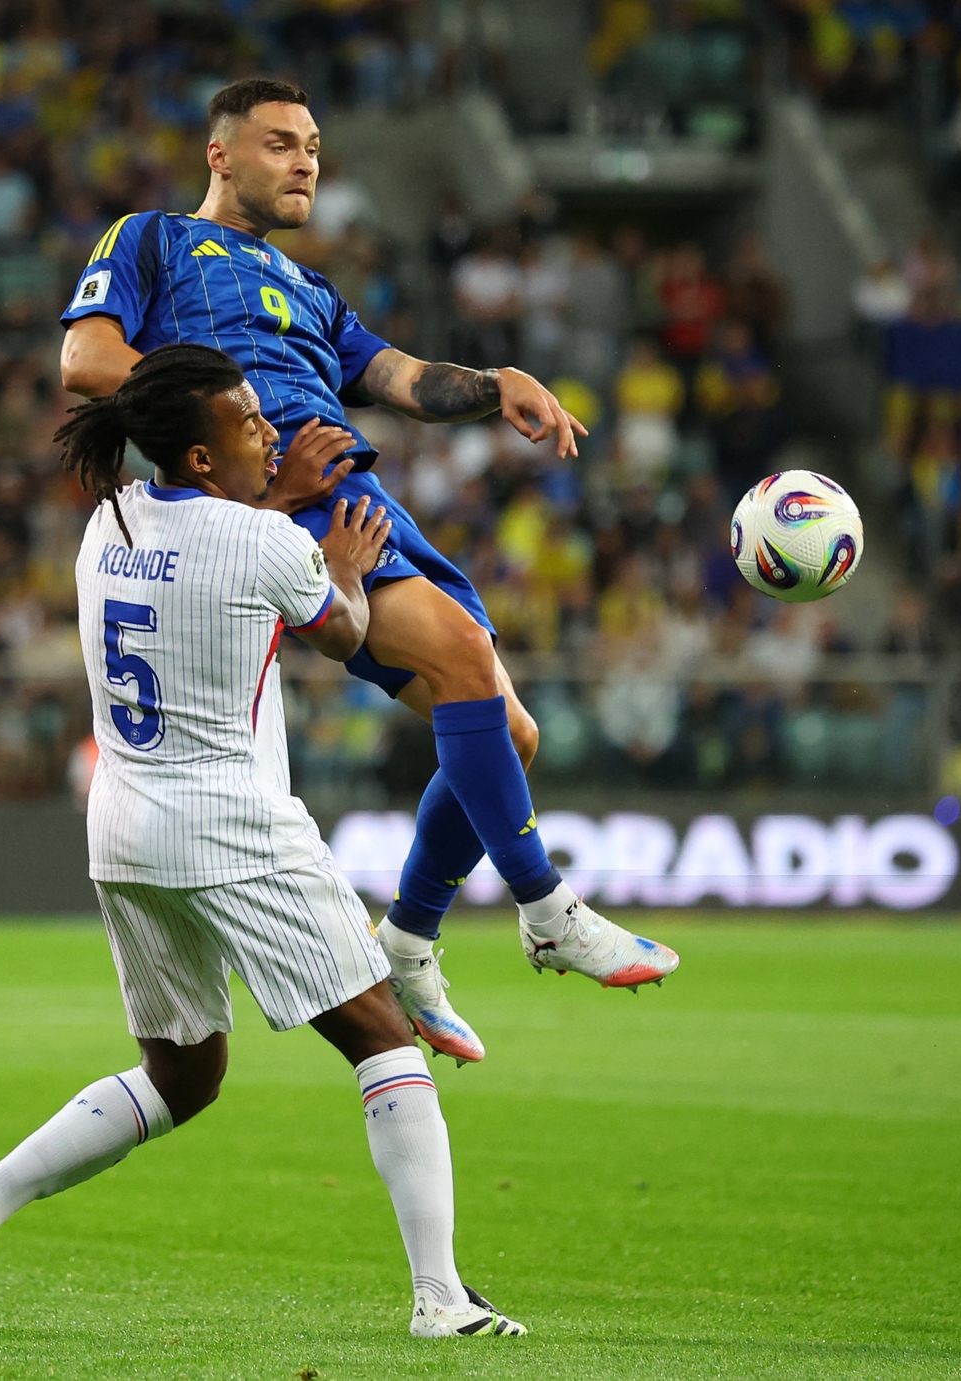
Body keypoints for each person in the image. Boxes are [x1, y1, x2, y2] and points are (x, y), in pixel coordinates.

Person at [0, 344, 526, 1343]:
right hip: (233, 825)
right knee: (382, 1034)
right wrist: (346, 566)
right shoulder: (258, 544)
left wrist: (273, 510)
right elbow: (341, 630)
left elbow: (210, 557)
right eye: (247, 423)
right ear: (196, 456)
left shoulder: (106, 525)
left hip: (127, 831)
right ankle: (441, 1297)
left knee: (186, 1075)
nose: (270, 430)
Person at [57, 78, 678, 1065]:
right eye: (278, 143)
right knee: (468, 664)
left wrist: (496, 384)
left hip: (359, 498)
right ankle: (547, 908)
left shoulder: (309, 290)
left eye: (312, 145)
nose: (304, 160)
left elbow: (402, 381)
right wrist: (235, 424)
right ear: (220, 155)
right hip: (285, 492)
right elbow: (88, 361)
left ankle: (406, 939)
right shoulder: (153, 241)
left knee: (509, 732)